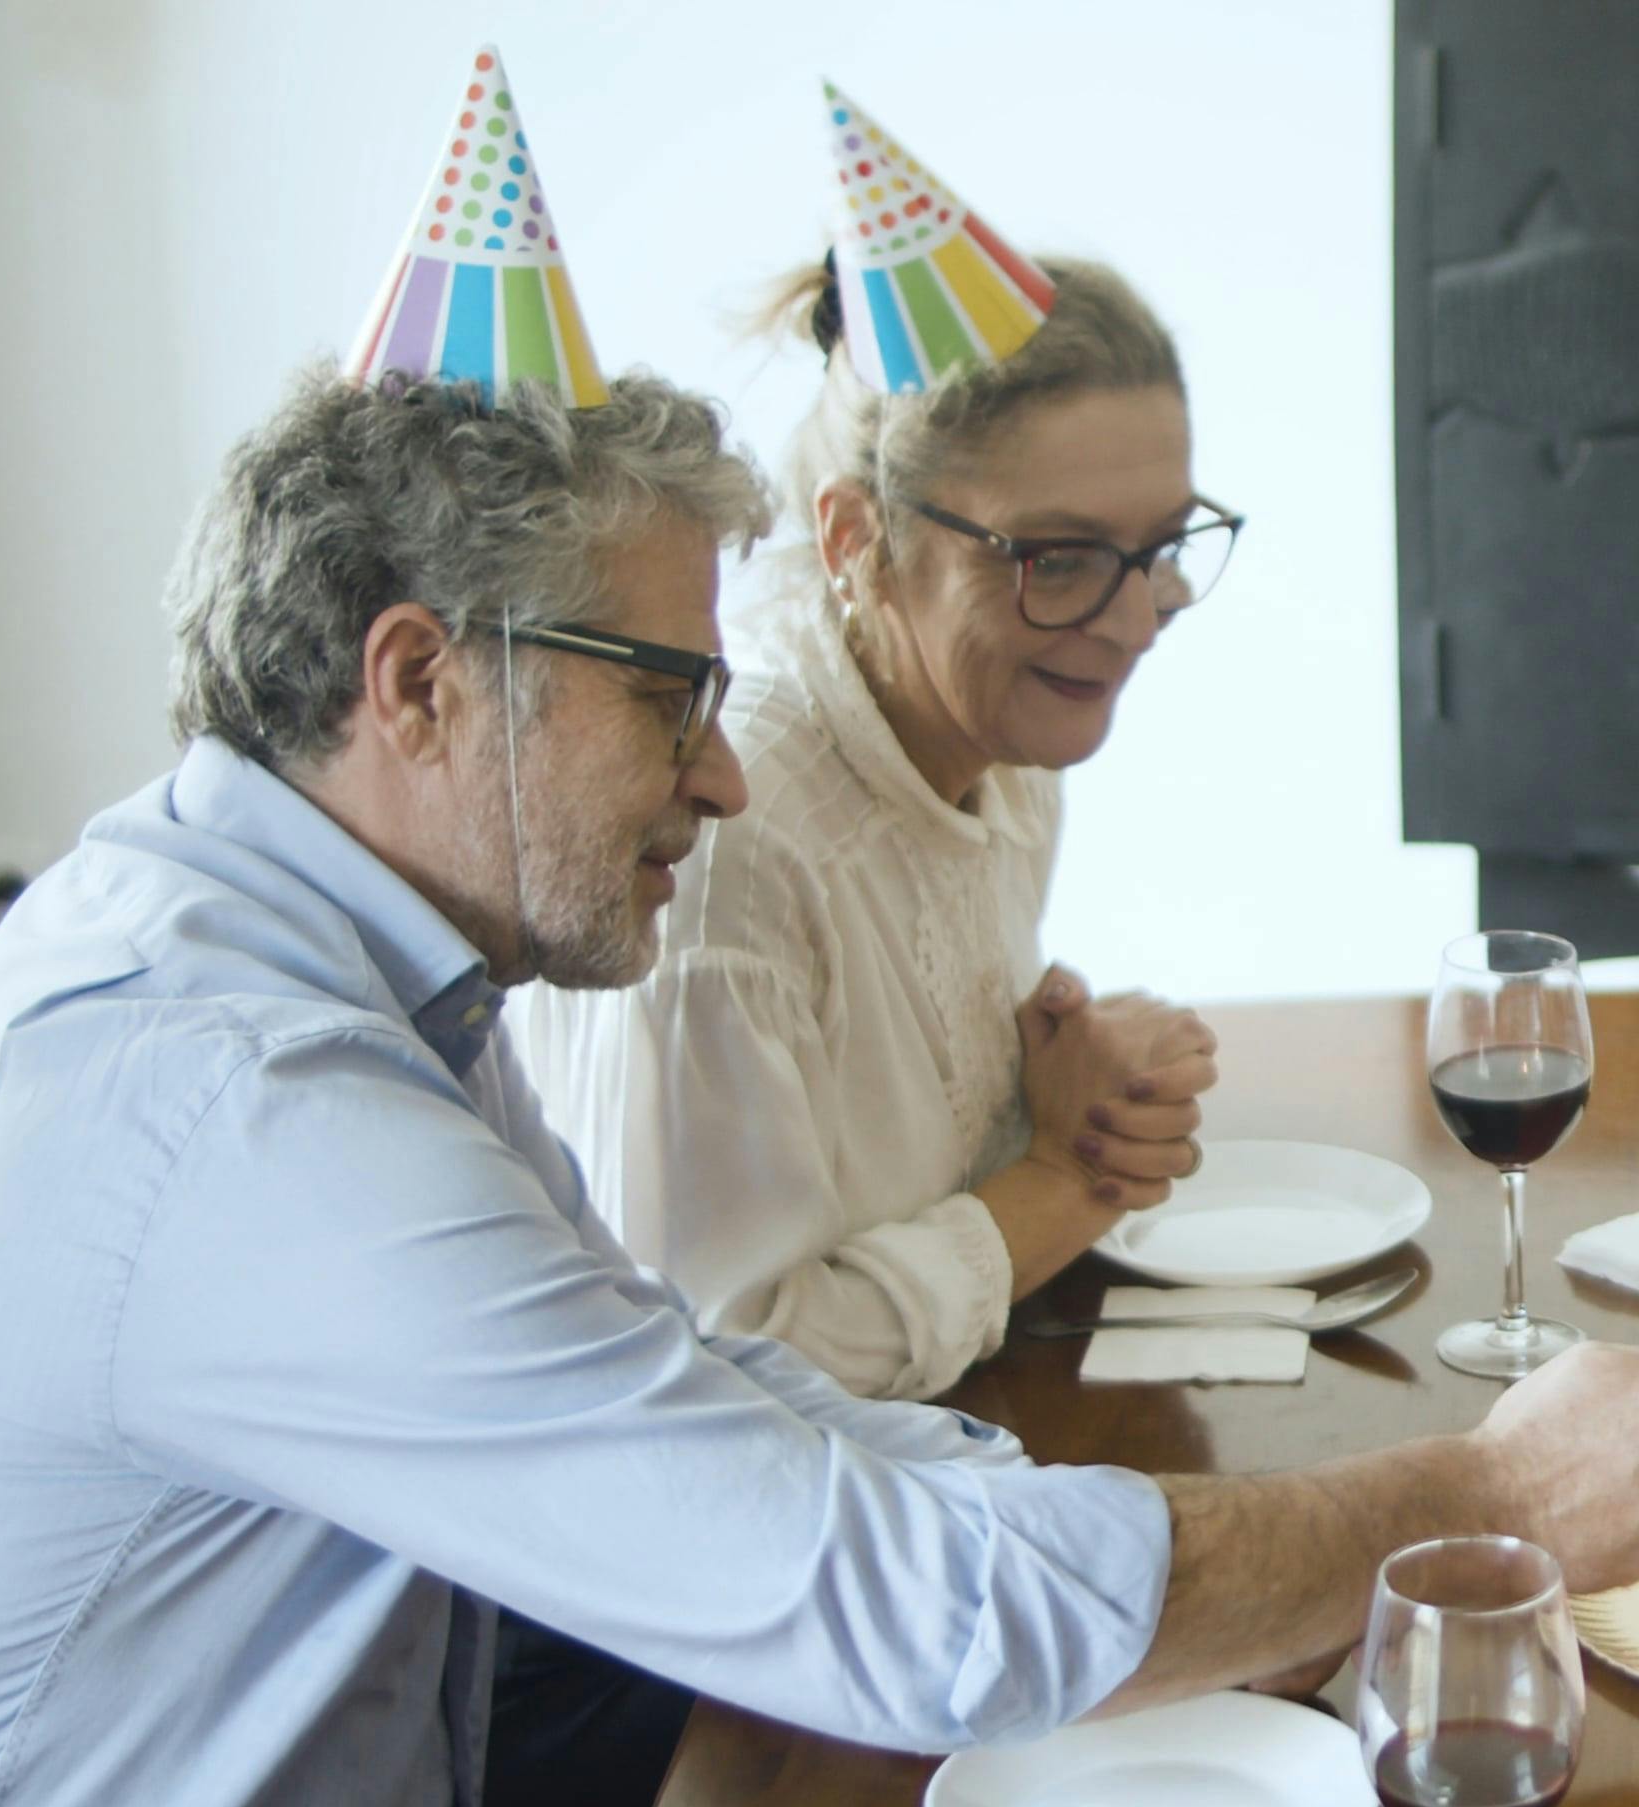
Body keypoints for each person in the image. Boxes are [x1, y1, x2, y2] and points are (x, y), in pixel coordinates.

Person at [0, 223, 1639, 1807]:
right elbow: (874, 1590)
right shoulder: (252, 1119)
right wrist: (1484, 1499)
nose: (728, 776)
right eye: (667, 698)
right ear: (420, 680)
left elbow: (717, 1386)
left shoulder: (329, 968)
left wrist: (1210, 1573)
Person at [511, 103, 1226, 1407]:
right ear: (851, 539)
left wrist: (1053, 1080)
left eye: (1164, 545)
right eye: (1057, 558)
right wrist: (1069, 1178)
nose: (1133, 621)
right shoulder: (729, 846)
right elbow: (719, 1369)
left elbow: (888, 1154)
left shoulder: (1007, 742)